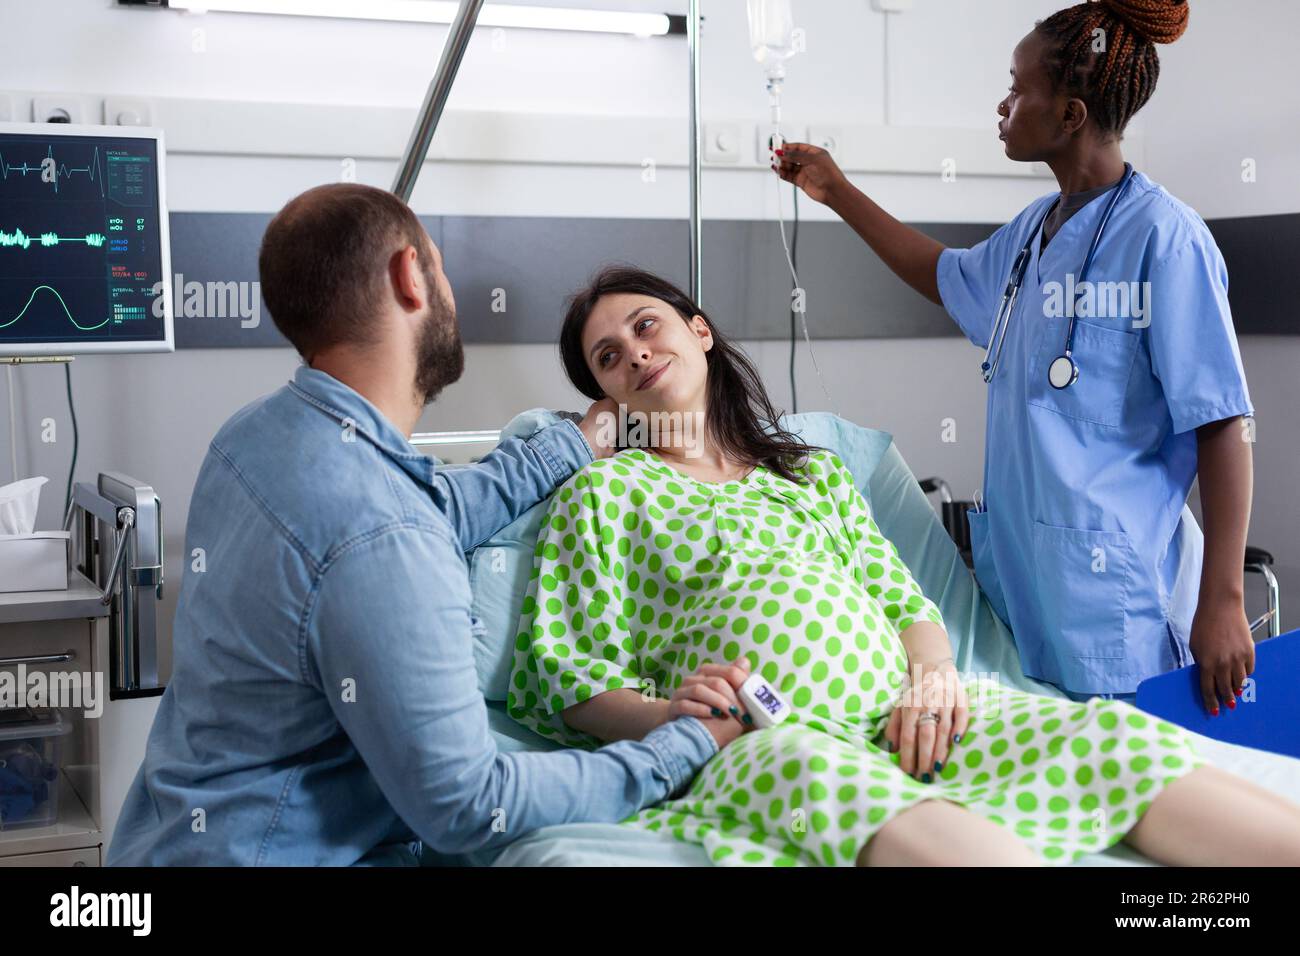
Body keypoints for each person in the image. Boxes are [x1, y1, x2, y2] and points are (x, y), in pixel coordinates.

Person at [506, 265, 1300, 866]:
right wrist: (677, 726)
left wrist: (934, 680)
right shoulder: (604, 493)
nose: (636, 353)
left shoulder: (808, 471)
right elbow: (568, 676)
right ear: (604, 397)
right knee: (838, 786)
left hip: (906, 712)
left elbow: (904, 597)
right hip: (761, 739)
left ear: (700, 331)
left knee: (1103, 739)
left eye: (648, 326)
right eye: (609, 357)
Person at [107, 184, 745, 866]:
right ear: (411, 276)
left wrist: (566, 447)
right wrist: (679, 750)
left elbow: (421, 510)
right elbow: (469, 804)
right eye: (440, 269)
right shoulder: (384, 534)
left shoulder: (252, 438)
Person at [775, 0, 1254, 714]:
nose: (1002, 105)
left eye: (1017, 87)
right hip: (1028, 588)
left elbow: (1221, 424)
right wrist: (836, 191)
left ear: (1069, 115)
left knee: (1134, 791)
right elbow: (943, 273)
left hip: (1118, 600)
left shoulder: (1166, 239)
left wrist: (1225, 599)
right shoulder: (1034, 233)